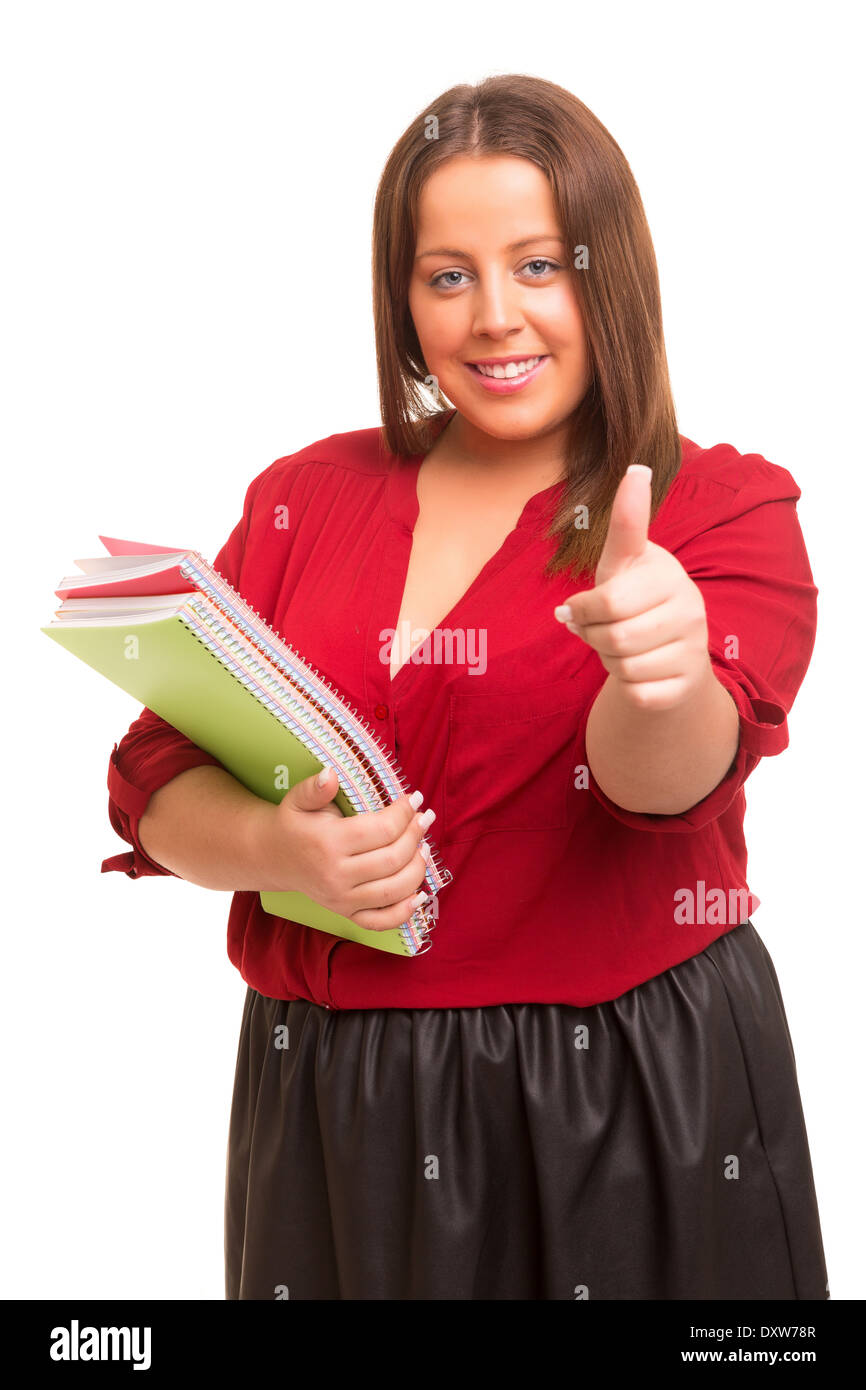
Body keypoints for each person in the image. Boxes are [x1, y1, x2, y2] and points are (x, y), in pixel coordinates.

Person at [101, 74, 828, 1300]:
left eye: (540, 264)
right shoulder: (303, 498)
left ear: (611, 277)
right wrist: (281, 850)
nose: (495, 316)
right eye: (448, 275)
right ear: (402, 300)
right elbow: (154, 773)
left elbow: (669, 788)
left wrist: (656, 676)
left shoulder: (723, 508)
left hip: (627, 1088)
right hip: (334, 1096)